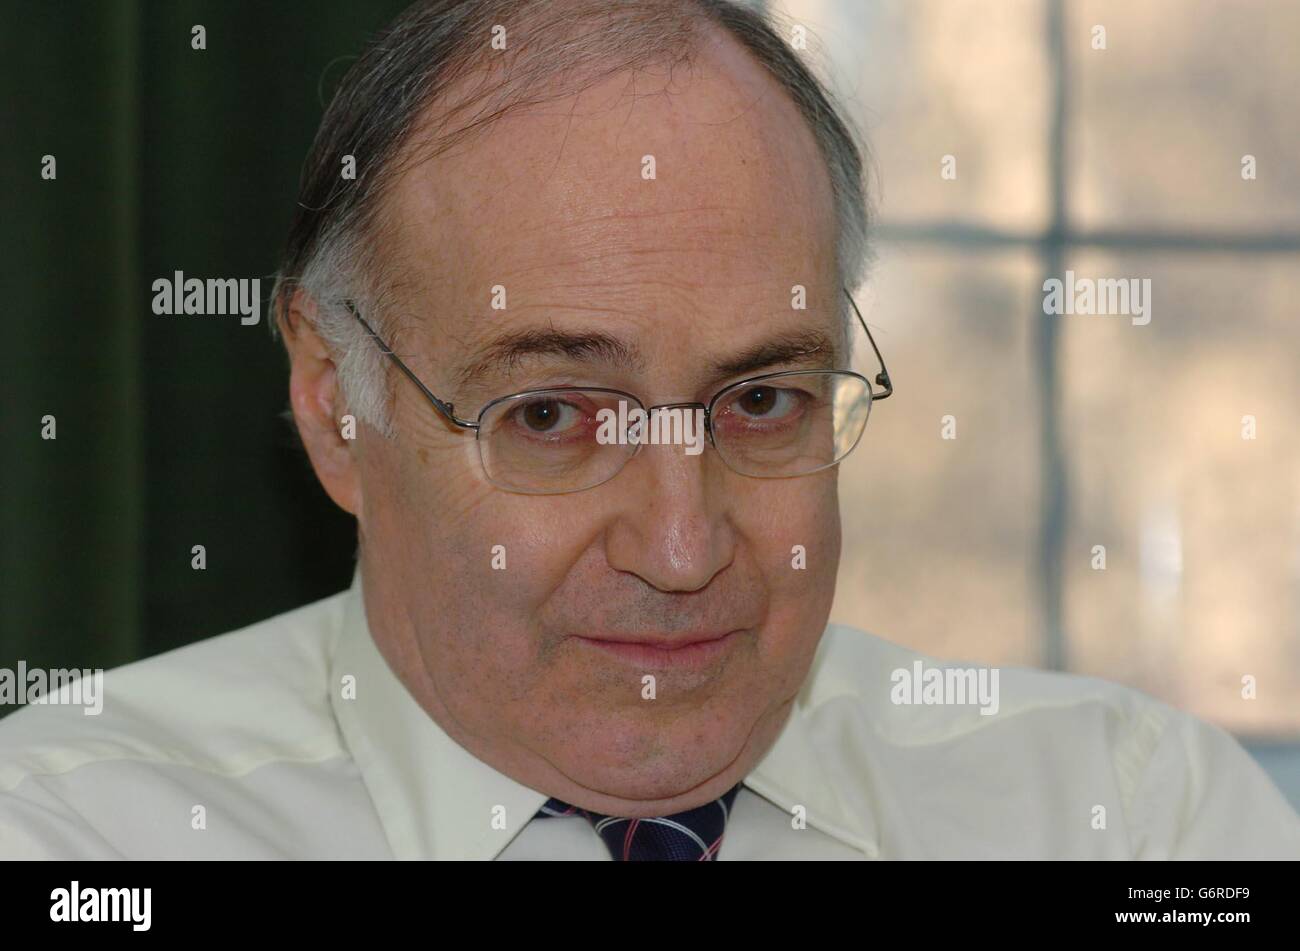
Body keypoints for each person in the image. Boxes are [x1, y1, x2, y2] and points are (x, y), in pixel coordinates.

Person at [2, 0, 1296, 860]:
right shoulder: (79, 833)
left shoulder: (1129, 817)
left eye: (761, 402)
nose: (682, 548)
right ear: (338, 405)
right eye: (554, 416)